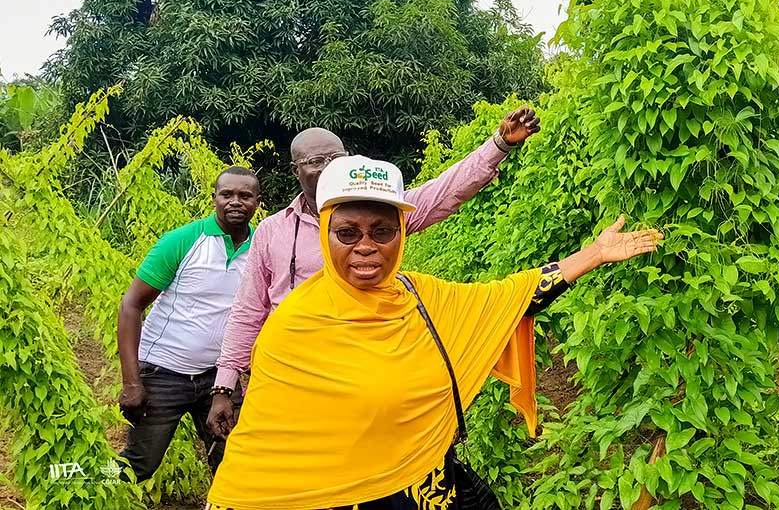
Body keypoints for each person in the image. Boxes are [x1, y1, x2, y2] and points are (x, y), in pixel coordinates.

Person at [204, 154, 663, 509]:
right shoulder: (294, 327)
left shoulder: (420, 298)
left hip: (428, 488)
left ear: (401, 236)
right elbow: (263, 448)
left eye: (382, 231)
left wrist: (593, 254)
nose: (366, 246)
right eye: (348, 233)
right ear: (326, 234)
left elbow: (511, 297)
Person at [207, 108, 542, 435]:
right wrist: (224, 386)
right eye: (314, 161)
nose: (326, 168)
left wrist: (499, 145)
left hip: (368, 367)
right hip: (296, 371)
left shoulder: (383, 215)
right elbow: (249, 310)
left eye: (334, 158)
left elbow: (445, 191)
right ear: (296, 170)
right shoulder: (272, 231)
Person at [116, 166, 260, 481]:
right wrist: (131, 383)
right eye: (227, 194)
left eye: (245, 196)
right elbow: (131, 305)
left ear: (258, 202)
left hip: (220, 377)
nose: (235, 202)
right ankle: (66, 479)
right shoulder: (182, 241)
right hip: (163, 372)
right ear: (214, 199)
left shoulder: (261, 250)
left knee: (234, 460)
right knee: (136, 466)